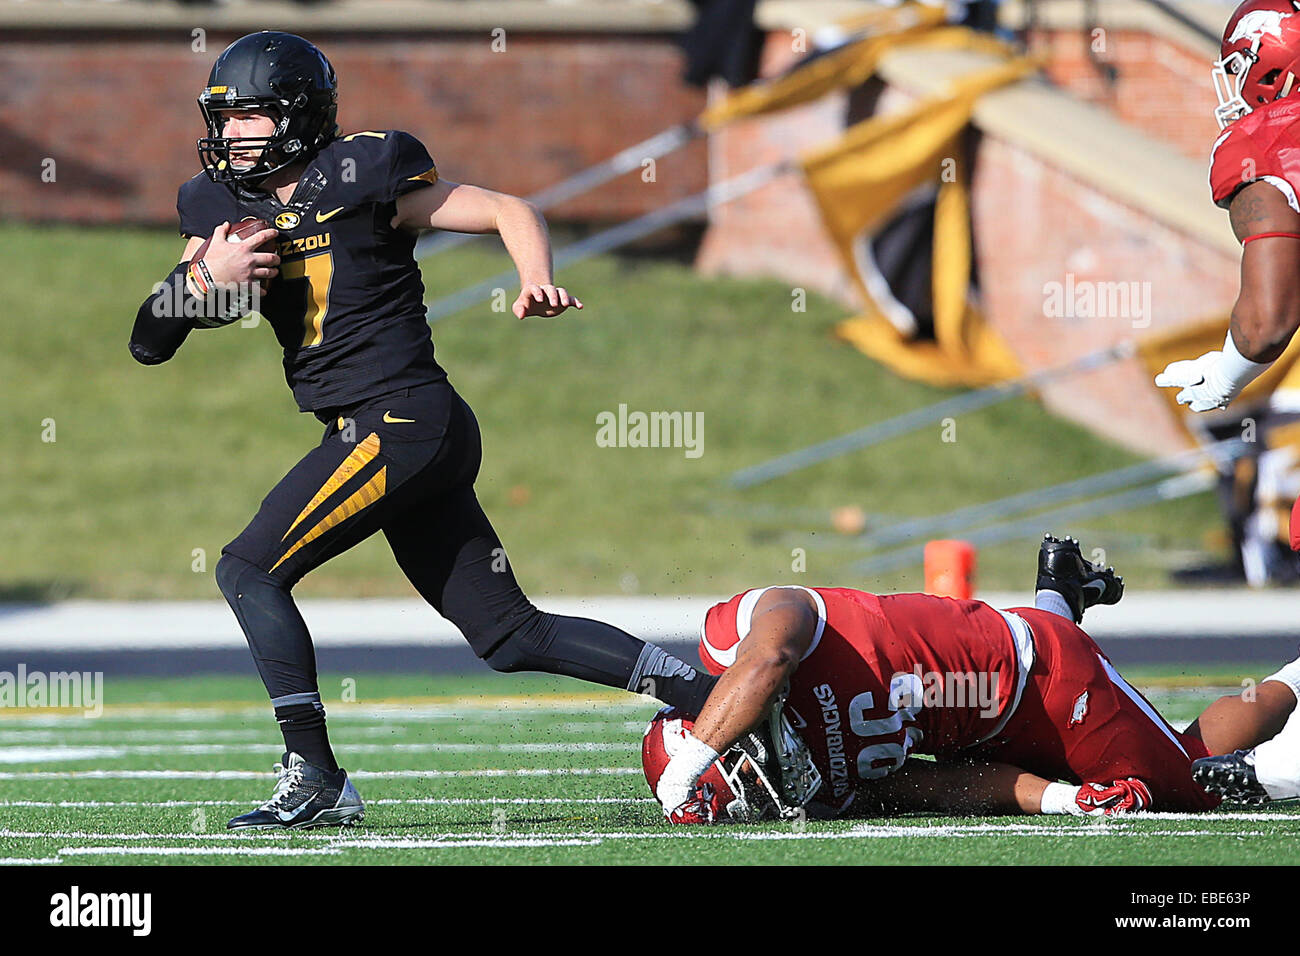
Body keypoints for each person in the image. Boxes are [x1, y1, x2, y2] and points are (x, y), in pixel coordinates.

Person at [129, 31, 716, 830]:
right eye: (223, 120)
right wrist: (201, 282)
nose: (231, 136)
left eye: (251, 118)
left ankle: (316, 774)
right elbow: (148, 341)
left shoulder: (365, 172)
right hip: (388, 429)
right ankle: (708, 694)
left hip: (402, 417)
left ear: (298, 118)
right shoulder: (218, 208)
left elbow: (510, 207)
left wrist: (536, 276)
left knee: (248, 571)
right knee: (511, 634)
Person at [643, 535, 1300, 821]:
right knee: (1102, 786)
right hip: (977, 731)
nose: (761, 794)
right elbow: (943, 783)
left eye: (739, 778)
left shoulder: (748, 627)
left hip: (1041, 676)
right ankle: (1060, 590)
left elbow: (769, 660)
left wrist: (687, 765)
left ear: (727, 728)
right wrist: (1070, 802)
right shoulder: (814, 792)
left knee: (1191, 784)